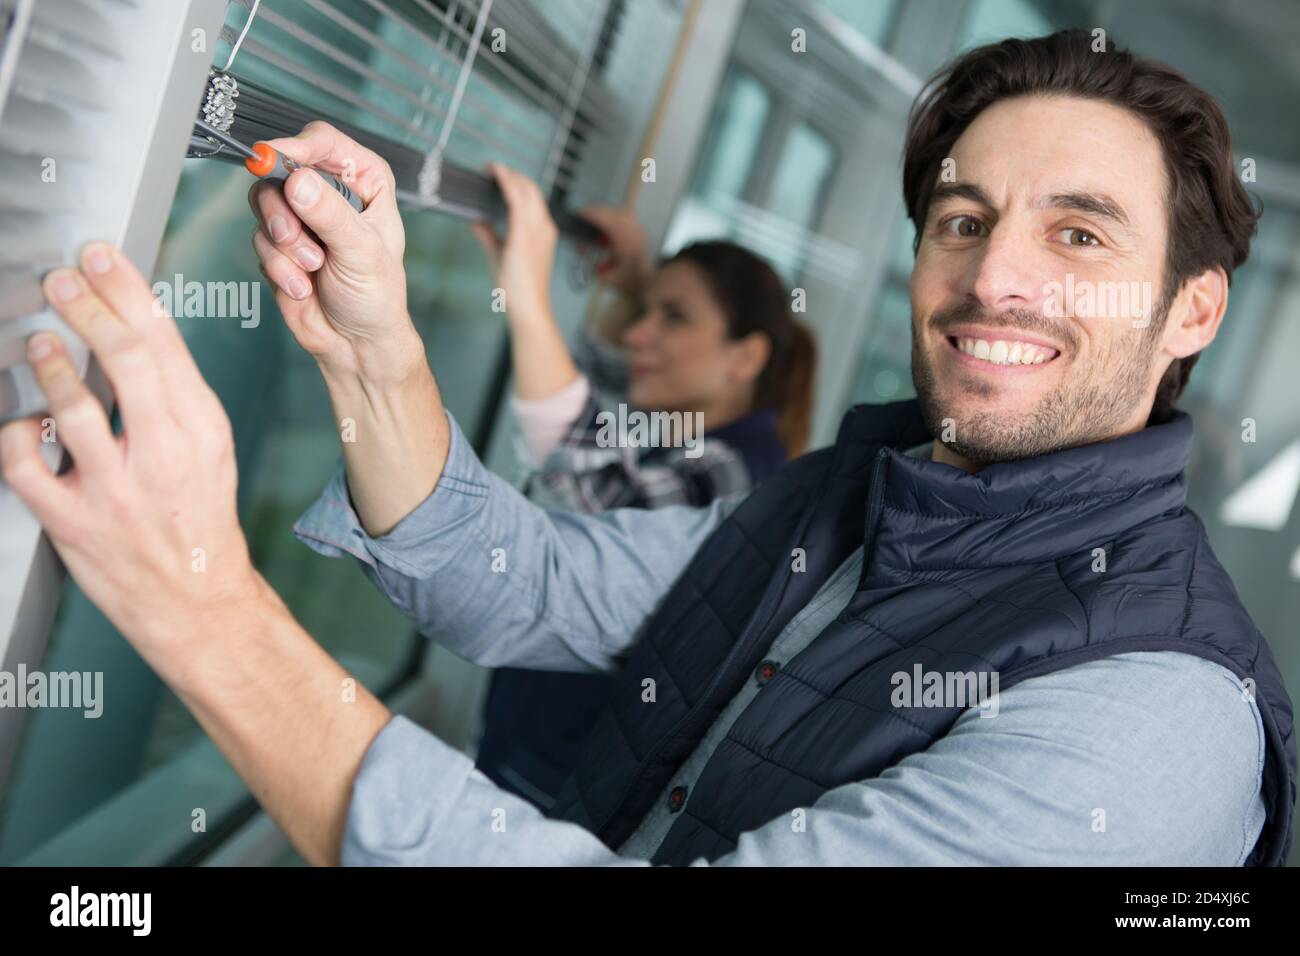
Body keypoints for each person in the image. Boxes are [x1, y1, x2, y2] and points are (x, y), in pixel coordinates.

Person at [2, 28, 1294, 867]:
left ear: (1193, 307)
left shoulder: (1159, 720)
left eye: (1080, 236)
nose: (993, 276)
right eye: (964, 220)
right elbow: (526, 583)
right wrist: (370, 347)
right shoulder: (838, 503)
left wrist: (202, 610)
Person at [467, 165, 815, 807]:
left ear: (746, 357)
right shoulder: (684, 432)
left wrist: (524, 294)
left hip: (553, 795)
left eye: (673, 317)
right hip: (527, 757)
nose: (636, 334)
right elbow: (606, 378)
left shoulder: (739, 475)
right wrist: (634, 281)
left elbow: (583, 461)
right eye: (645, 313)